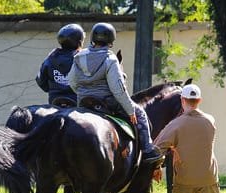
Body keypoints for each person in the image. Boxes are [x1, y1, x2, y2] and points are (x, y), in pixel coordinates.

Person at [67, 22, 161, 163]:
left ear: (93, 38)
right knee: (140, 113)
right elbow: (118, 90)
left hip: (84, 102)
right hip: (107, 103)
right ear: (111, 40)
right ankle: (147, 150)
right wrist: (130, 110)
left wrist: (84, 93)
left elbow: (72, 82)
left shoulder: (79, 57)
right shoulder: (110, 59)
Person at [153, 84, 221, 193]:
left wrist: (156, 167)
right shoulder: (210, 121)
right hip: (209, 177)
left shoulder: (176, 124)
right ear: (199, 101)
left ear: (183, 100)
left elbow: (157, 148)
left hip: (185, 179)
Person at [36, 23, 85, 106]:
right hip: (78, 102)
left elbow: (40, 81)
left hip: (55, 101)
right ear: (79, 42)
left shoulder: (50, 58)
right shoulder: (82, 58)